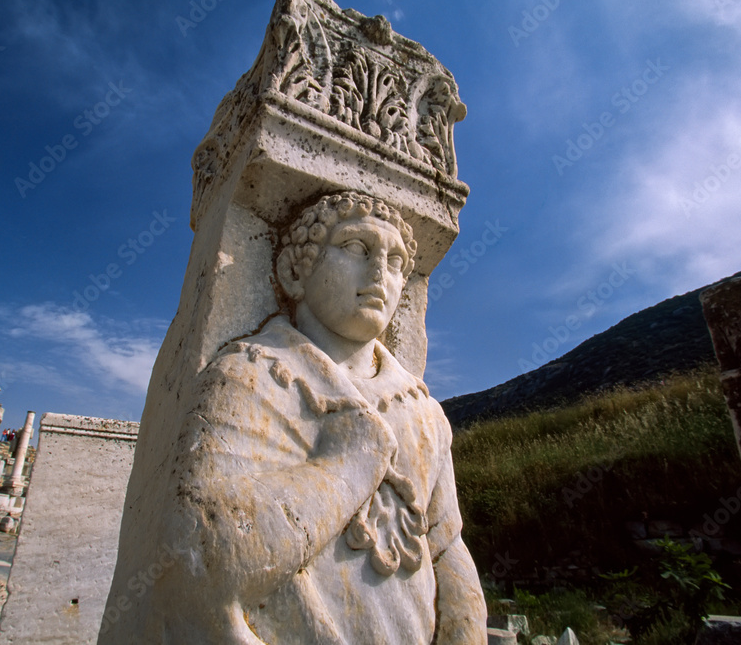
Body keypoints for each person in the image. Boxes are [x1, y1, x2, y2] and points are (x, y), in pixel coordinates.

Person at [134, 192, 486, 644]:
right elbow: (199, 558)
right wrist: (348, 465)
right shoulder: (249, 377)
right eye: (356, 248)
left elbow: (447, 547)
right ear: (293, 272)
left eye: (396, 260)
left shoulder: (424, 412)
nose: (380, 273)